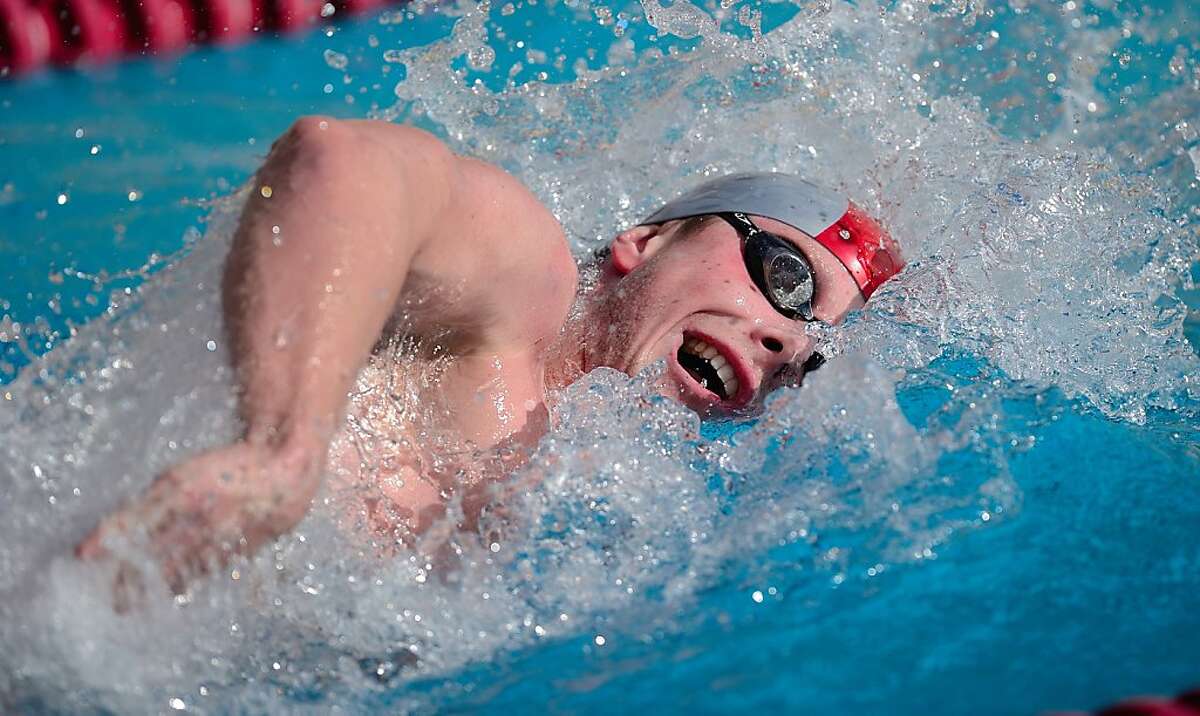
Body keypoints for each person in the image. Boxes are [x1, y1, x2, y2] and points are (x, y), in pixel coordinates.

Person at [75, 117, 903, 598]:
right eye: (785, 278)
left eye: (809, 358)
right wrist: (283, 449)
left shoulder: (604, 514)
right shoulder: (525, 292)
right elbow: (338, 159)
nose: (787, 341)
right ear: (643, 243)